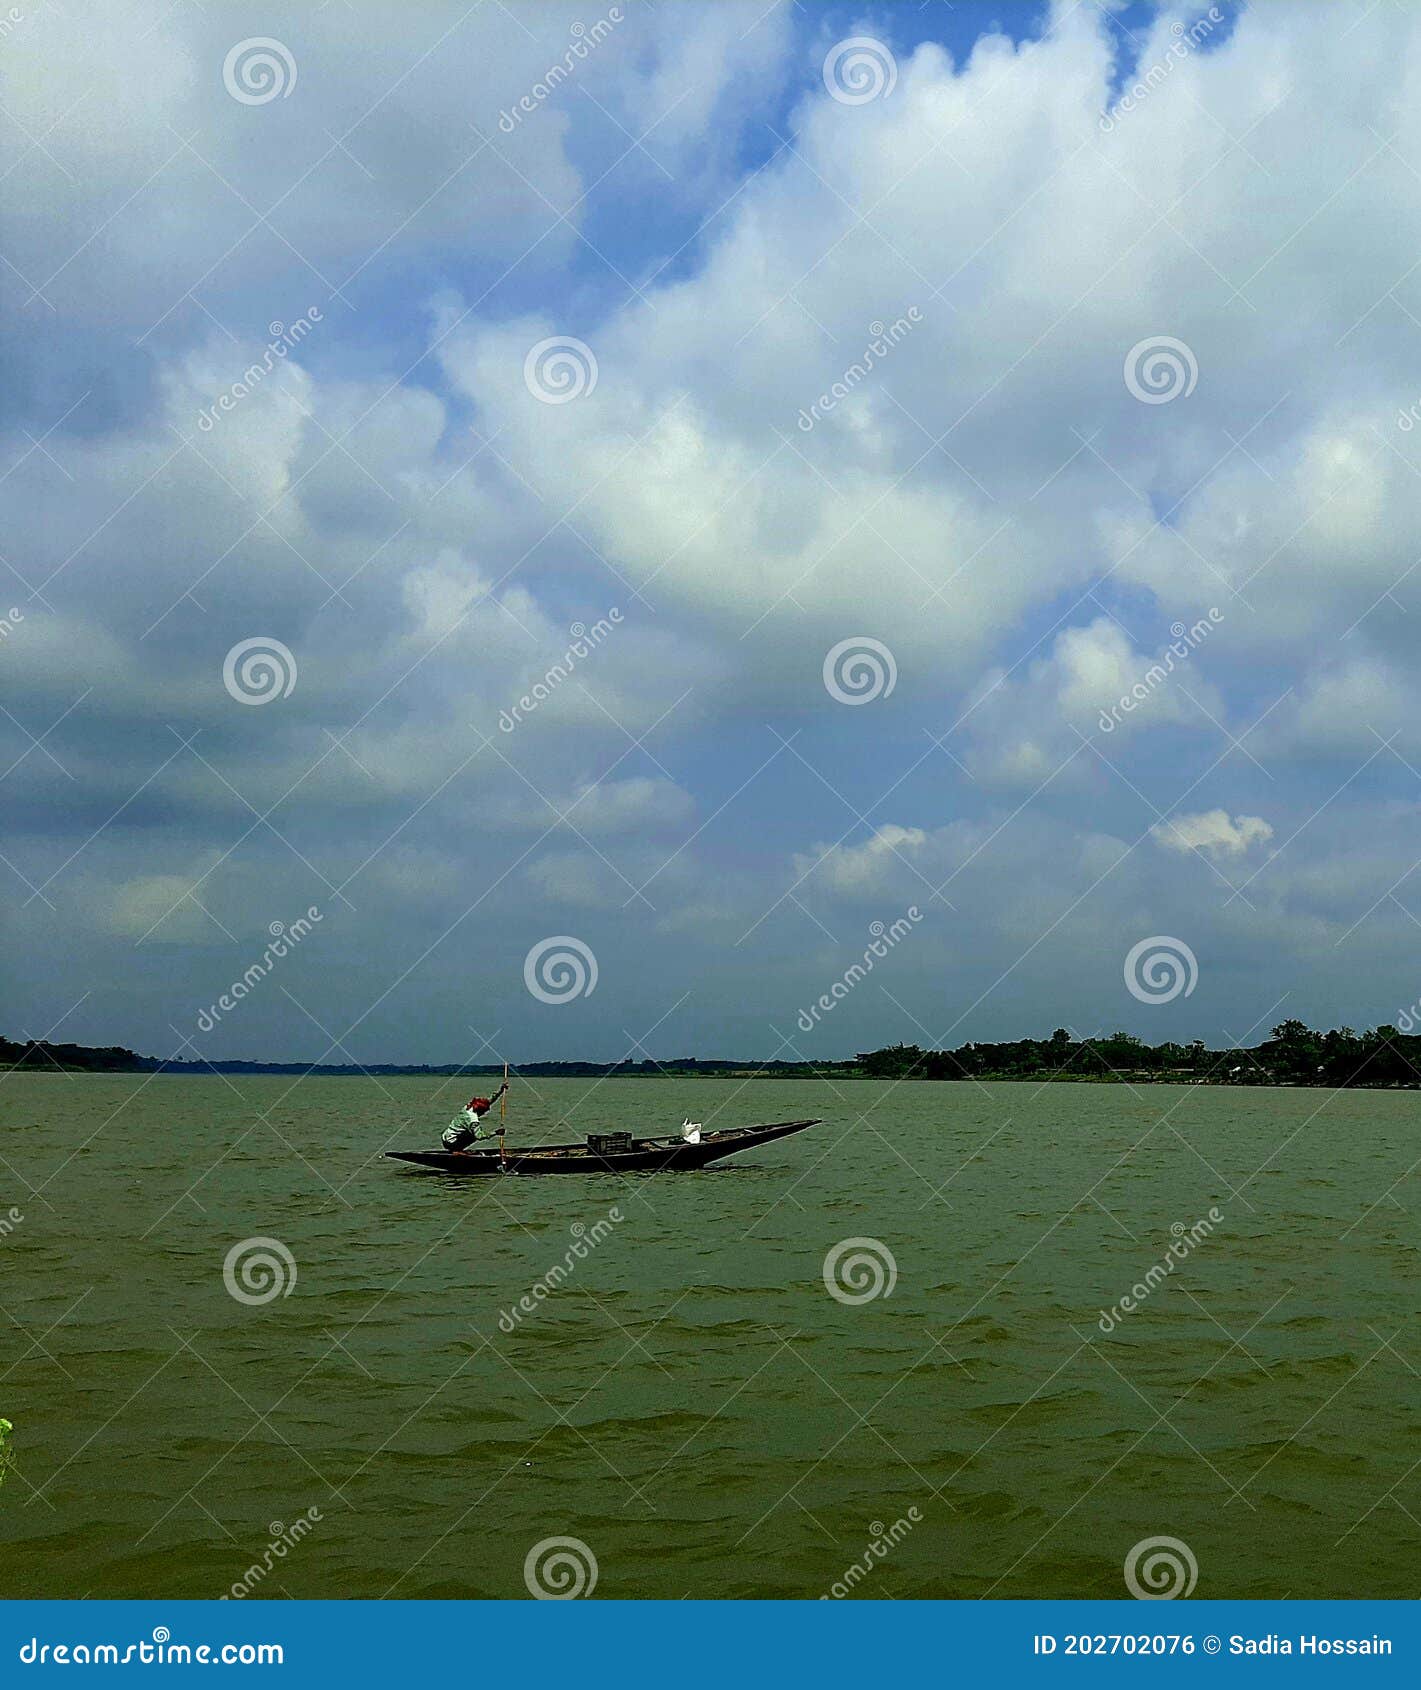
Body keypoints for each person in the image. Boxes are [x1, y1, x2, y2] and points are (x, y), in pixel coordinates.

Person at [442, 1082, 508, 1152]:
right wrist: (496, 1133)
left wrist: (500, 1090)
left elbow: (489, 1101)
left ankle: (457, 1150)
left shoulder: (467, 1108)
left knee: (469, 1131)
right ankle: (456, 1151)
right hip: (451, 1143)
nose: (484, 1113)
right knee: (473, 1135)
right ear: (480, 1111)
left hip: (444, 1138)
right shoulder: (473, 1120)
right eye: (484, 1112)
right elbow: (479, 1136)